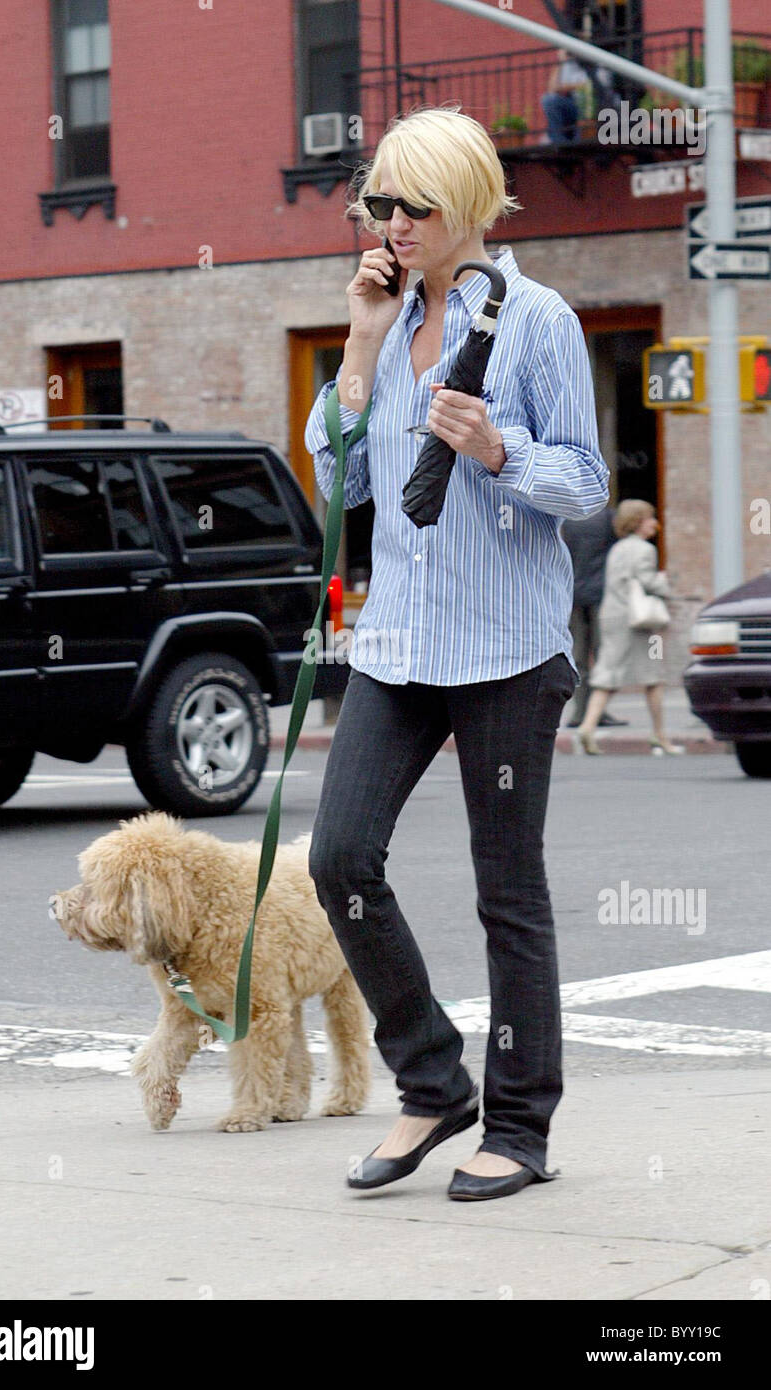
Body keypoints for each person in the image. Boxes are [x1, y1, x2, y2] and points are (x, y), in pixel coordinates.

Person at [304, 106, 609, 1202]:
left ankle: (520, 1127)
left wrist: (499, 448)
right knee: (339, 859)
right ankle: (432, 1080)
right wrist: (357, 347)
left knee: (506, 890)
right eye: (375, 203)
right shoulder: (384, 319)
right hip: (398, 642)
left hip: (508, 648)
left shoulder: (539, 321)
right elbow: (341, 483)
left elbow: (586, 481)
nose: (388, 223)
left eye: (409, 206)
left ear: (468, 205)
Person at [577, 499, 680, 754]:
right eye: (650, 519)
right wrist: (666, 586)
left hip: (611, 615)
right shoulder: (644, 550)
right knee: (652, 676)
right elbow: (647, 581)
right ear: (638, 522)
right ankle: (659, 735)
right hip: (635, 620)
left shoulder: (618, 548)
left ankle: (587, 726)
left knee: (607, 672)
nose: (655, 524)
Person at [561, 503, 628, 729]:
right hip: (601, 595)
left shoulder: (567, 520)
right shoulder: (608, 519)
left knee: (578, 656)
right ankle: (597, 711)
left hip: (574, 593)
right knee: (602, 655)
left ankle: (580, 712)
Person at [541, 49, 591, 144]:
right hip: (572, 105)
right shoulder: (567, 65)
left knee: (585, 106)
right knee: (548, 100)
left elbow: (588, 85)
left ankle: (578, 144)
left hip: (588, 104)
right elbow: (552, 88)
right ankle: (559, 142)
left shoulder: (592, 61)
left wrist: (564, 87)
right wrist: (560, 61)